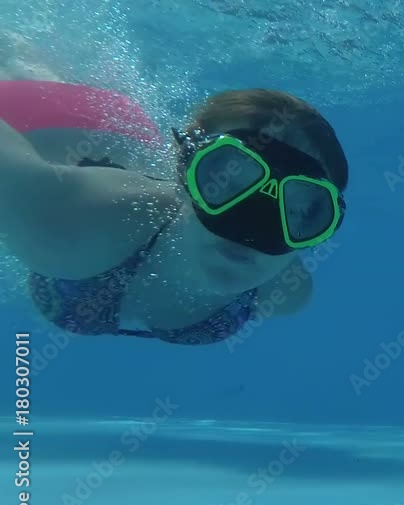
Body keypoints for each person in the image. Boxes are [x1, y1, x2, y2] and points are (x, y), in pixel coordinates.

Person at [0, 48, 349, 345]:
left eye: (299, 211)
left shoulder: (285, 291)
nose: (253, 229)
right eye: (228, 181)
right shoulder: (64, 223)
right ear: (182, 170)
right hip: (63, 122)